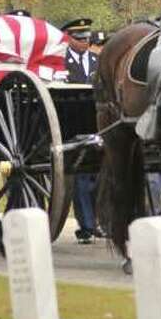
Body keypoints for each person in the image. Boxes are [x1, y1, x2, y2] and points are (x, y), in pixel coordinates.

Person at [63, 17, 100, 243]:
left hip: (97, 121)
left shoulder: (98, 60)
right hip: (71, 122)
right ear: (69, 38)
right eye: (79, 38)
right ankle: (87, 225)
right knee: (82, 175)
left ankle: (98, 220)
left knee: (98, 175)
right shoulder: (61, 61)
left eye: (86, 37)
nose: (85, 41)